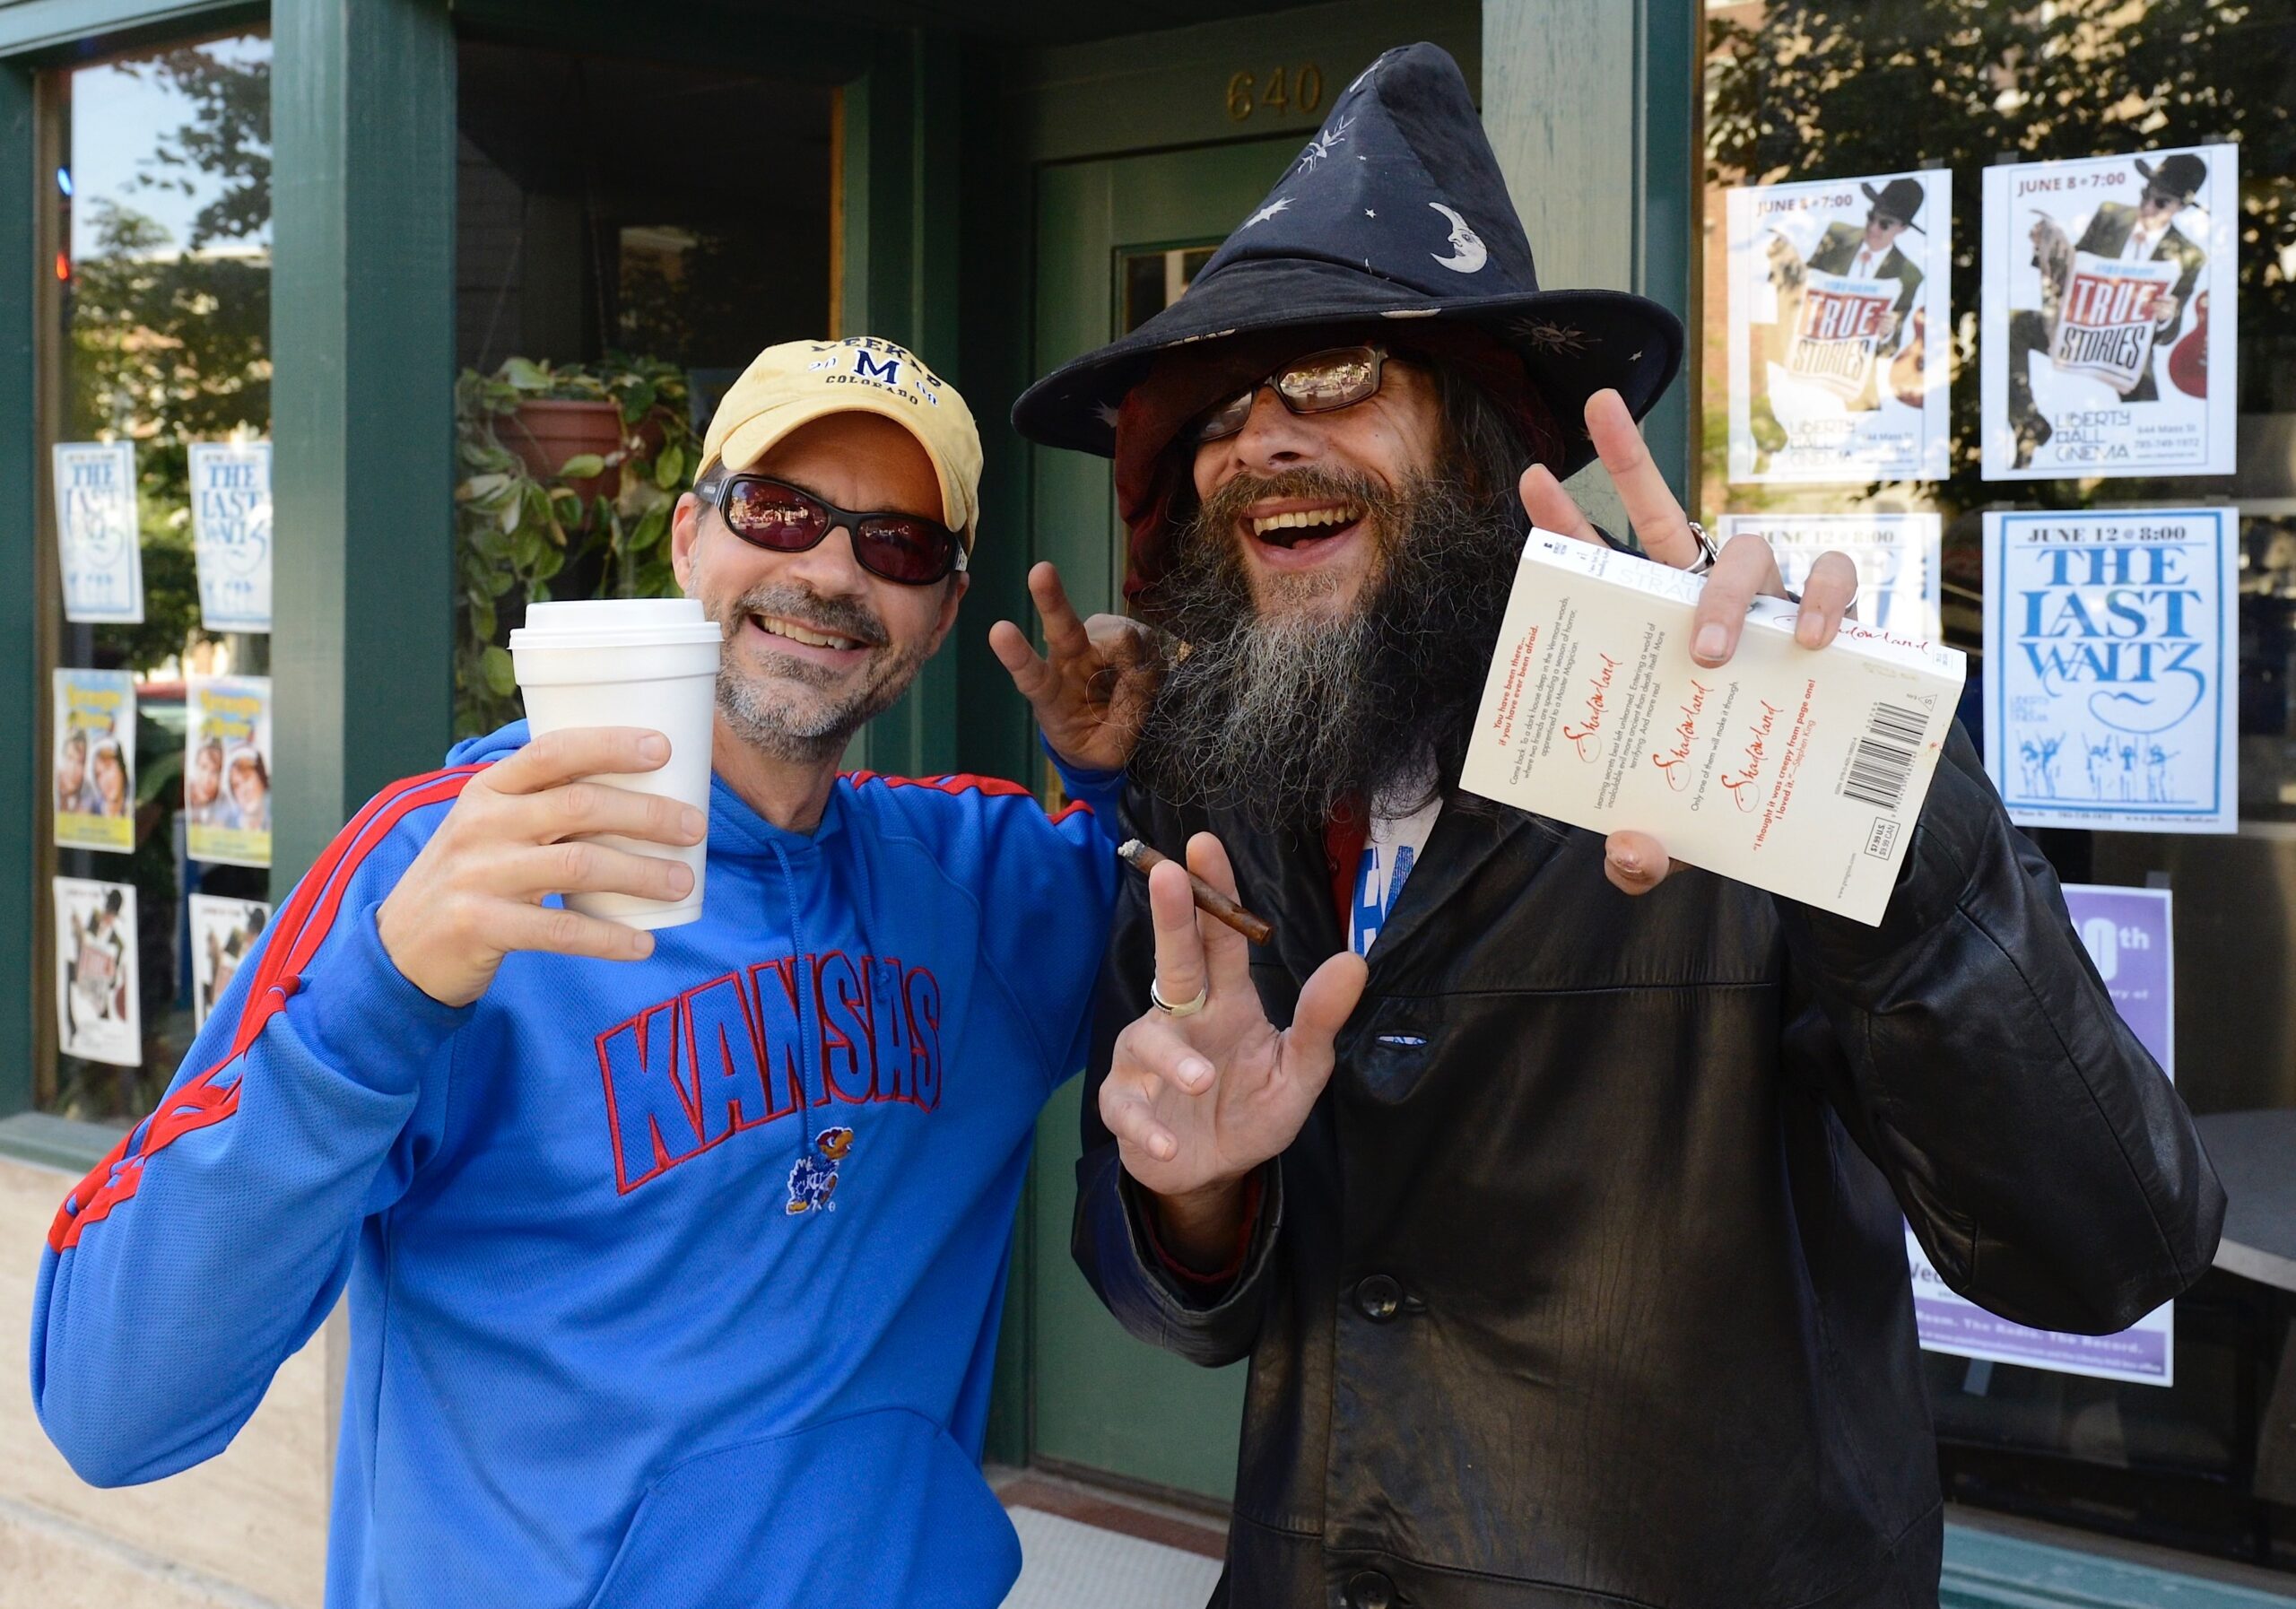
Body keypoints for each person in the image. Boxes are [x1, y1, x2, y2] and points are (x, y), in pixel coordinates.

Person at [1013, 46, 2224, 1609]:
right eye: (1220, 409)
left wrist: (1875, 816)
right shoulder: (1215, 794)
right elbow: (1169, 1298)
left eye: (1327, 380)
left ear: (1481, 436)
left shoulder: (1739, 750)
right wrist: (1191, 1191)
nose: (1257, 442)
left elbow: (2107, 1243)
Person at [34, 337, 1158, 1609]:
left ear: (944, 611)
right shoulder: (449, 865)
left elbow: (1240, 940)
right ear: (689, 538)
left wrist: (1125, 773)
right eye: (779, 511)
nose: (831, 568)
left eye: (897, 544)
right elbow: (111, 1403)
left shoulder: (990, 892)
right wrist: (380, 1001)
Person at [2005, 151, 2209, 465]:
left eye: (2160, 202)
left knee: (2147, 409)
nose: (2147, 206)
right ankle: (2029, 424)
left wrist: (2167, 317)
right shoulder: (2111, 214)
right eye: (2146, 194)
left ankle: (2150, 471)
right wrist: (2045, 249)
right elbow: (2074, 271)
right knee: (2014, 323)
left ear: (2180, 207)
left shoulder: (2188, 255)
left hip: (2128, 346)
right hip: (2077, 328)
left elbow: (2171, 334)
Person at [223, 744, 269, 832]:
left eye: (246, 778)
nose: (243, 791)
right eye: (236, 785)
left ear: (262, 778)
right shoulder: (230, 828)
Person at [54, 727, 94, 817]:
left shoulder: (88, 790)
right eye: (70, 758)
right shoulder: (51, 783)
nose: (73, 769)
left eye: (80, 762)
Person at [89, 736, 130, 820]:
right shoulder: (93, 813)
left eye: (108, 768)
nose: (105, 780)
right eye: (99, 775)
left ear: (122, 768)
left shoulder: (135, 807)